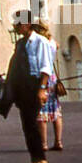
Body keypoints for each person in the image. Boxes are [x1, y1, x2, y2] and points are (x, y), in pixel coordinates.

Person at [0, 11, 54, 163]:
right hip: (24, 86)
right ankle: (40, 160)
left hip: (34, 85)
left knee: (30, 124)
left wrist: (42, 89)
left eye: (19, 24)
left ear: (27, 24)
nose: (16, 27)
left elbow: (45, 67)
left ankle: (37, 160)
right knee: (29, 123)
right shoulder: (22, 43)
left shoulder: (40, 42)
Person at [35, 21, 63, 152]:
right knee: (55, 112)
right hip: (53, 78)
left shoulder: (41, 42)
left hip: (44, 78)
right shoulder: (51, 41)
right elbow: (57, 45)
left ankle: (43, 143)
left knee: (42, 113)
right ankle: (58, 141)